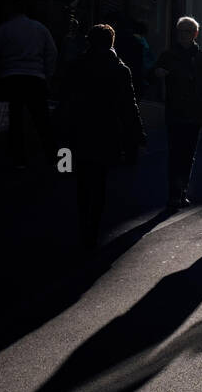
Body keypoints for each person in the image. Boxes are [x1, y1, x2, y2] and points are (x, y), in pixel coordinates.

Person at [58, 23, 146, 248]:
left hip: (81, 129)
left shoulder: (77, 65)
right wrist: (135, 134)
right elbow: (128, 104)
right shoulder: (118, 68)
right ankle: (93, 228)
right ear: (111, 42)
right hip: (107, 131)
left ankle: (83, 221)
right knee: (99, 181)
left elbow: (65, 99)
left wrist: (62, 129)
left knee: (83, 179)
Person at [153, 16, 202, 211]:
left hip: (195, 114)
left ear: (195, 34)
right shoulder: (168, 55)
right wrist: (157, 73)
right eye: (181, 31)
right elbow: (152, 73)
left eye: (188, 31)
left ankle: (181, 192)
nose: (184, 35)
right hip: (175, 112)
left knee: (188, 155)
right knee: (175, 154)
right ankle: (174, 194)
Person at [0, 0, 57, 168]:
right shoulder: (40, 29)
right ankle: (56, 159)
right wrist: (47, 76)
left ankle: (17, 159)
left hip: (9, 79)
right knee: (43, 121)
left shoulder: (3, 29)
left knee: (10, 121)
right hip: (36, 79)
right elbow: (52, 53)